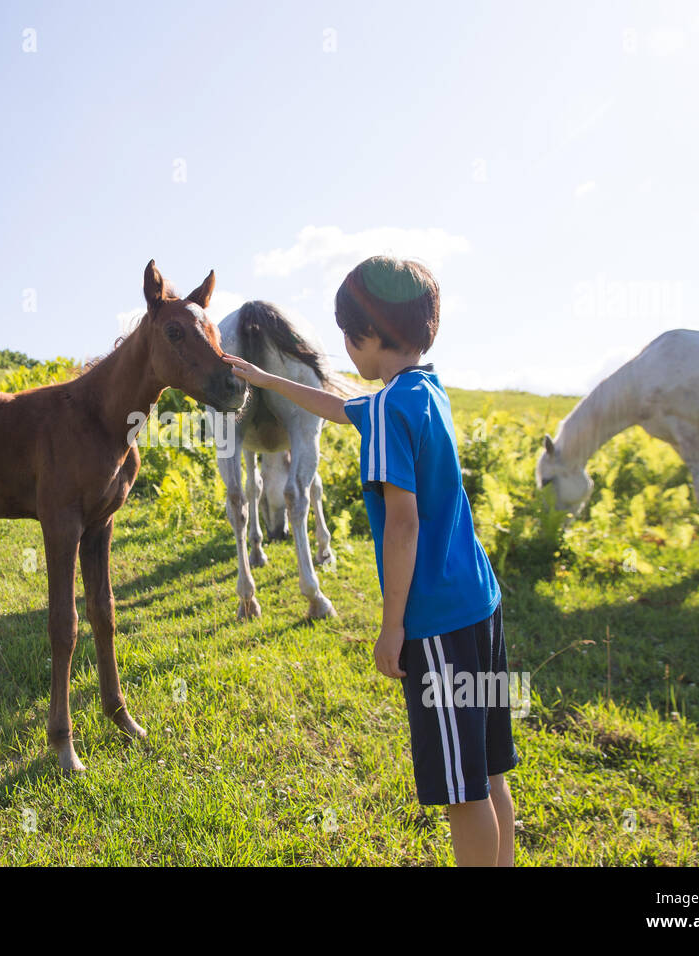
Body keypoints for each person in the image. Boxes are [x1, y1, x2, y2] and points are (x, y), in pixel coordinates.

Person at [222, 256, 517, 866]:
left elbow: (403, 524)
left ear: (370, 337)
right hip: (480, 605)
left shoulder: (388, 411)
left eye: (347, 337)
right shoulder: (424, 391)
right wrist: (268, 379)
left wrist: (392, 626)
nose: (344, 350)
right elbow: (338, 406)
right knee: (487, 773)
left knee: (461, 795)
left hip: (436, 622)